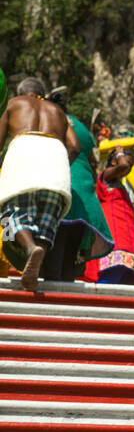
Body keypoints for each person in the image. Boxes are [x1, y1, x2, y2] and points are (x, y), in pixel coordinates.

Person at [0, 77, 80, 290]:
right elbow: (74, 147)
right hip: (55, 160)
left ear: (21, 91)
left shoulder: (13, 104)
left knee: (9, 214)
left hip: (23, 152)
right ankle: (37, 256)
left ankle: (29, 248)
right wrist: (60, 166)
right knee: (47, 221)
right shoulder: (59, 112)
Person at [40, 95, 114, 284]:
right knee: (69, 262)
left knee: (52, 262)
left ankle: (50, 307)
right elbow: (89, 155)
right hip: (85, 195)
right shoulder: (81, 126)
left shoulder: (49, 119)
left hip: (61, 190)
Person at [83, 147, 134, 285]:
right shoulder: (106, 176)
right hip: (116, 238)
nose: (129, 166)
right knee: (109, 279)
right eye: (128, 160)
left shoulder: (119, 184)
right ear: (115, 160)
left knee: (123, 284)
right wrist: (120, 152)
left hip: (128, 239)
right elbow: (123, 166)